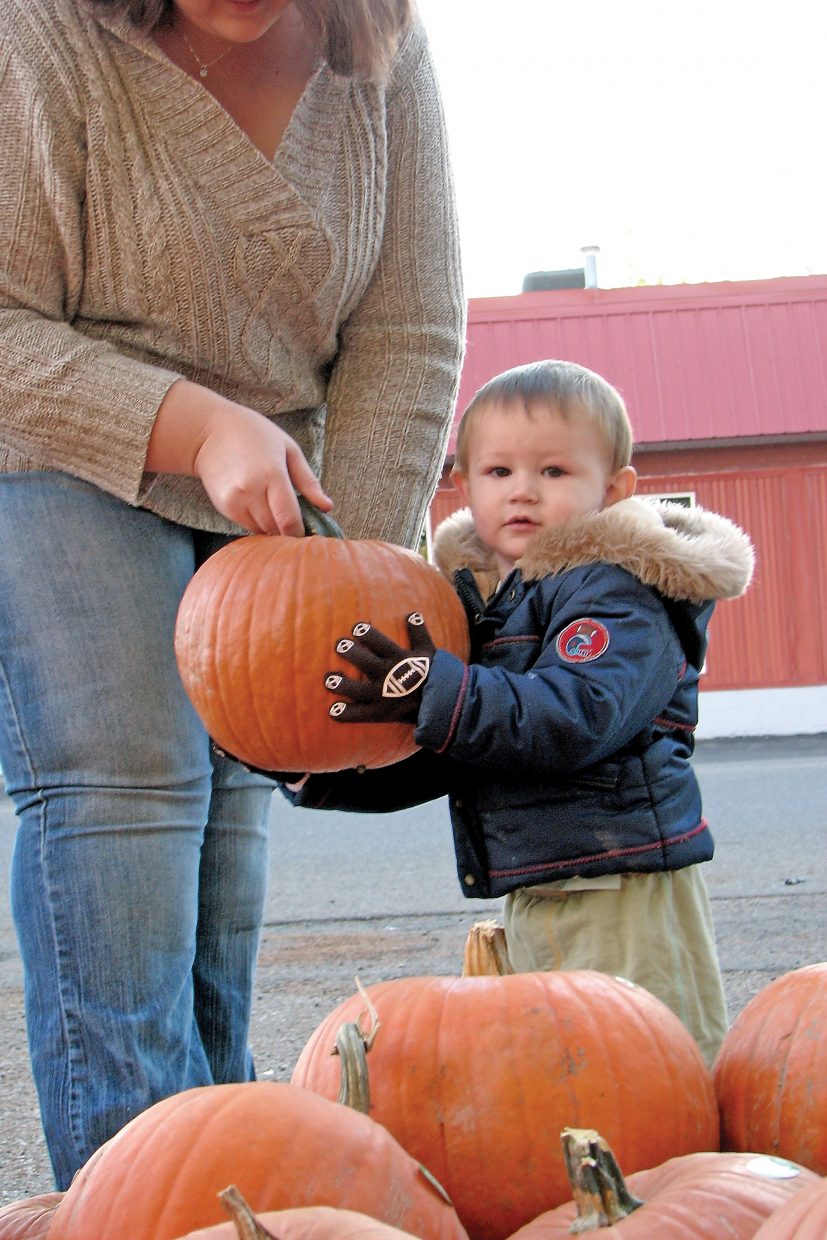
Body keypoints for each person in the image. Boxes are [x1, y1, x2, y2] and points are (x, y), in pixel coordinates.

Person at [0, 0, 465, 1188]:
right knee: (130, 783)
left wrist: (349, 570)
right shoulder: (37, 36)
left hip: (280, 467)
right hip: (63, 441)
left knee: (232, 806)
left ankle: (225, 1165)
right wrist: (196, 424)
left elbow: (407, 328)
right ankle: (135, 1185)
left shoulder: (381, 50)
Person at [287, 359, 755, 1068]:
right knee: (571, 1074)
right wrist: (313, 769)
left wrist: (435, 691)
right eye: (499, 471)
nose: (523, 491)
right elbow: (463, 749)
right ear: (463, 485)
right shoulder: (496, 604)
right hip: (548, 881)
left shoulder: (618, 592)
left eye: (554, 471)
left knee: (648, 1067)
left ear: (613, 489)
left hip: (617, 882)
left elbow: (573, 717)